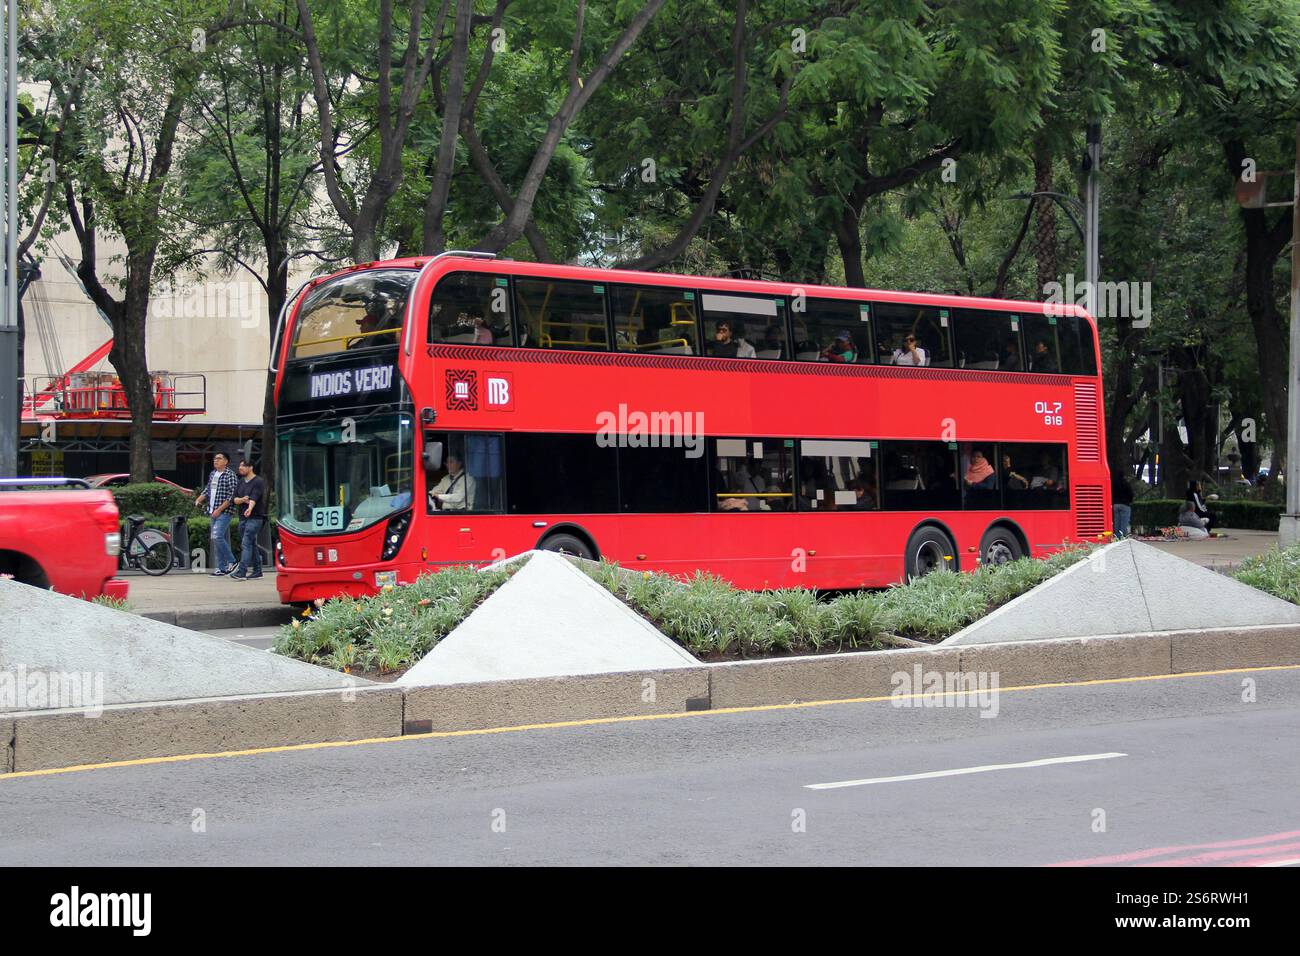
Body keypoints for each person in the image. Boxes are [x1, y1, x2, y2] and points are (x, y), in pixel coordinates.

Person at [194, 451, 238, 575]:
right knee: (215, 537)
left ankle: (232, 561)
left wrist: (219, 510)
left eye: (219, 458)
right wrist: (199, 499)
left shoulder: (230, 475)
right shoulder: (213, 474)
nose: (215, 460)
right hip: (212, 511)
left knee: (218, 536)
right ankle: (222, 568)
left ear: (226, 461)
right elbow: (207, 489)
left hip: (224, 512)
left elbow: (232, 495)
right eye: (215, 459)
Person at [228, 459, 267, 580]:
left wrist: (249, 508)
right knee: (251, 544)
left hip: (255, 517)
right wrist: (240, 500)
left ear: (250, 467)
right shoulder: (240, 482)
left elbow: (254, 497)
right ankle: (257, 571)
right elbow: (234, 499)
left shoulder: (258, 481)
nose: (240, 468)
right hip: (242, 518)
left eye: (243, 466)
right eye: (239, 465)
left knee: (246, 543)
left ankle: (242, 572)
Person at [1112, 471, 1135, 537]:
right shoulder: (1126, 483)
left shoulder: (1114, 484)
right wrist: (1130, 501)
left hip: (1115, 504)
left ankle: (1116, 535)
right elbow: (1131, 494)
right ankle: (1122, 535)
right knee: (1124, 521)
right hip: (1125, 504)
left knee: (1117, 520)